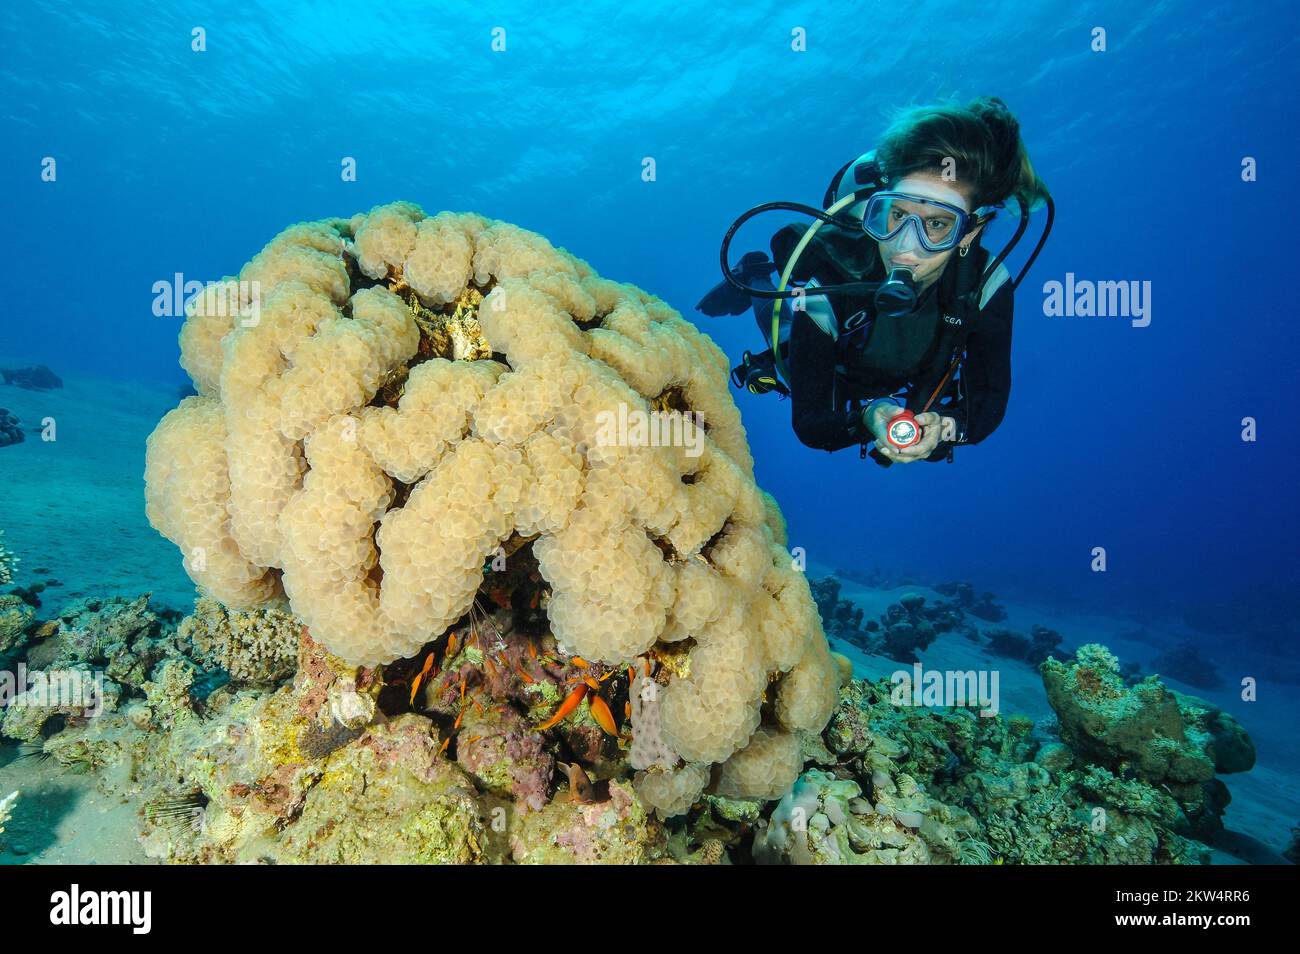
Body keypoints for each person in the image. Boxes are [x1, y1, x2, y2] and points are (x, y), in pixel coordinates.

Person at [698, 96, 1053, 465]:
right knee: (783, 339)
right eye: (897, 214)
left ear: (969, 231)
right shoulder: (831, 279)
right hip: (841, 362)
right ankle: (756, 271)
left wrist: (944, 426)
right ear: (877, 209)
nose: (906, 246)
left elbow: (986, 406)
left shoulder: (986, 283)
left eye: (937, 224)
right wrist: (867, 419)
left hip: (899, 369)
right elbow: (810, 423)